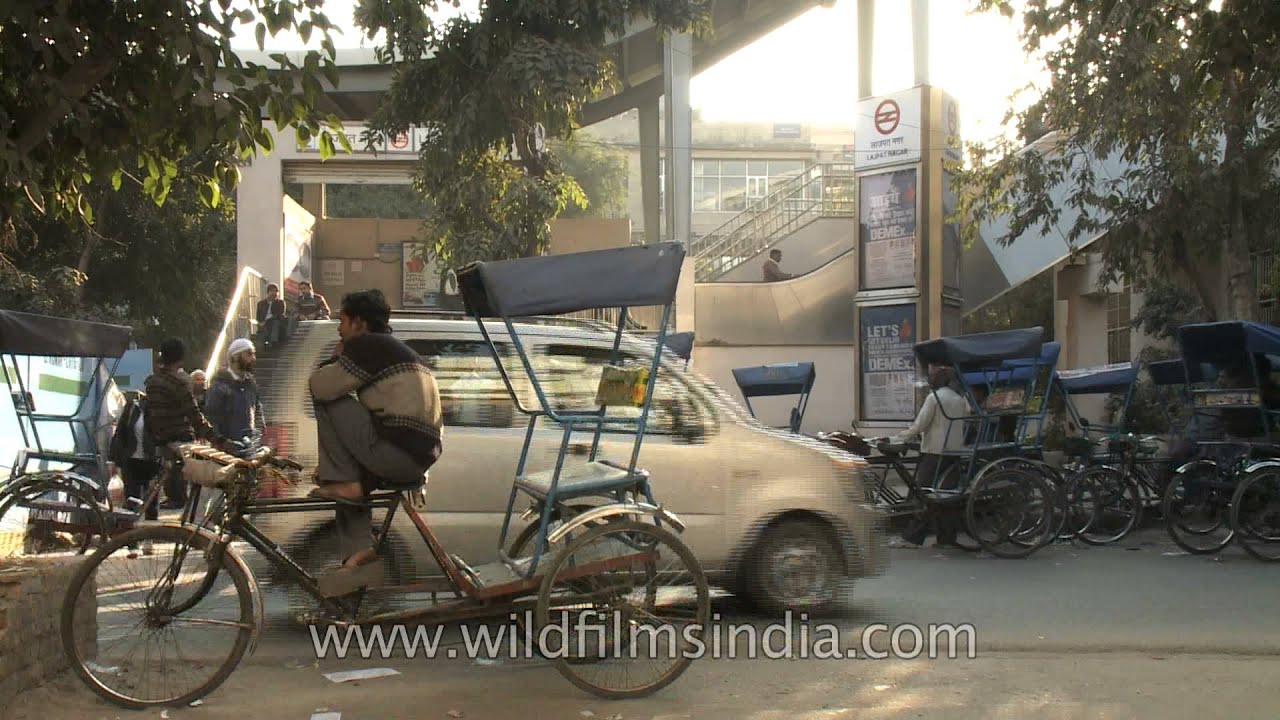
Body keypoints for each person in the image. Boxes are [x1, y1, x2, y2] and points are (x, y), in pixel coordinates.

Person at [306, 289, 444, 596]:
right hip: (413, 454)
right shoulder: (393, 348)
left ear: (359, 323)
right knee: (347, 481)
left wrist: (335, 357)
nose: (339, 328)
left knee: (325, 399)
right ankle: (358, 551)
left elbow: (321, 386)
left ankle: (347, 487)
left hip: (397, 451)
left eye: (342, 321)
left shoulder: (367, 345)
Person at [890, 364, 973, 548]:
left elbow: (920, 425)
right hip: (954, 452)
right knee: (947, 497)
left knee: (924, 495)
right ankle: (946, 538)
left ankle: (912, 537)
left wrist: (898, 438)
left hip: (934, 452)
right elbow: (967, 417)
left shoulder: (934, 398)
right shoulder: (959, 399)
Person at [144, 338, 224, 510]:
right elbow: (194, 415)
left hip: (160, 440)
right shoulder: (179, 383)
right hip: (181, 440)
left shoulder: (151, 382)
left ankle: (171, 498)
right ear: (180, 359)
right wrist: (216, 437)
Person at [109, 390, 158, 555]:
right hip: (131, 461)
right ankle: (132, 543)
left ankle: (149, 540)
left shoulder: (161, 411)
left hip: (152, 462)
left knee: (151, 501)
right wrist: (113, 460)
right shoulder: (132, 409)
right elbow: (120, 433)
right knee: (131, 500)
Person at [204, 338, 265, 450]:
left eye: (254, 354)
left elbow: (258, 413)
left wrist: (260, 438)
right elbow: (211, 419)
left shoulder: (251, 384)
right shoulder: (220, 386)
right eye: (249, 354)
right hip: (226, 450)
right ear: (235, 357)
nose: (253, 358)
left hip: (249, 447)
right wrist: (222, 442)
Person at [256, 283, 287, 349]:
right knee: (259, 345)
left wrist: (266, 321)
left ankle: (273, 342)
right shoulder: (261, 304)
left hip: (275, 324)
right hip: (264, 326)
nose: (274, 293)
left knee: (275, 322)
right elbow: (258, 317)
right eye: (272, 291)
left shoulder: (280, 302)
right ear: (268, 292)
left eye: (276, 291)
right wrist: (260, 323)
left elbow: (280, 315)